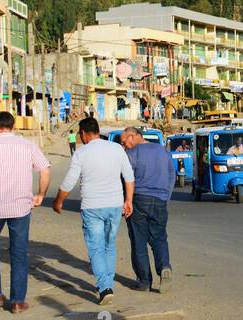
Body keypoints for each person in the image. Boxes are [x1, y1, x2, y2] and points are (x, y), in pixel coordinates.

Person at [0, 110, 51, 314]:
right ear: (13, 126)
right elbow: (45, 170)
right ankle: (17, 301)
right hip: (20, 207)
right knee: (19, 252)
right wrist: (41, 194)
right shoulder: (27, 145)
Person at [53, 116, 134, 305]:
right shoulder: (116, 148)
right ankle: (108, 284)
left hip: (92, 207)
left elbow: (69, 181)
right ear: (97, 130)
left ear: (83, 134)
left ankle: (105, 287)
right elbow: (129, 176)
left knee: (96, 248)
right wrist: (128, 200)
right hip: (114, 204)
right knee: (109, 245)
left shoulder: (81, 153)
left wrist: (58, 201)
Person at [119, 126, 176, 292]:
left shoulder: (132, 154)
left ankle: (144, 281)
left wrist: (125, 201)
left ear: (132, 136)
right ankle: (164, 266)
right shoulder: (161, 150)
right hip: (160, 200)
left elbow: (126, 179)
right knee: (159, 238)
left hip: (138, 199)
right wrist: (166, 196)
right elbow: (171, 175)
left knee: (139, 241)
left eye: (124, 141)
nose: (123, 145)